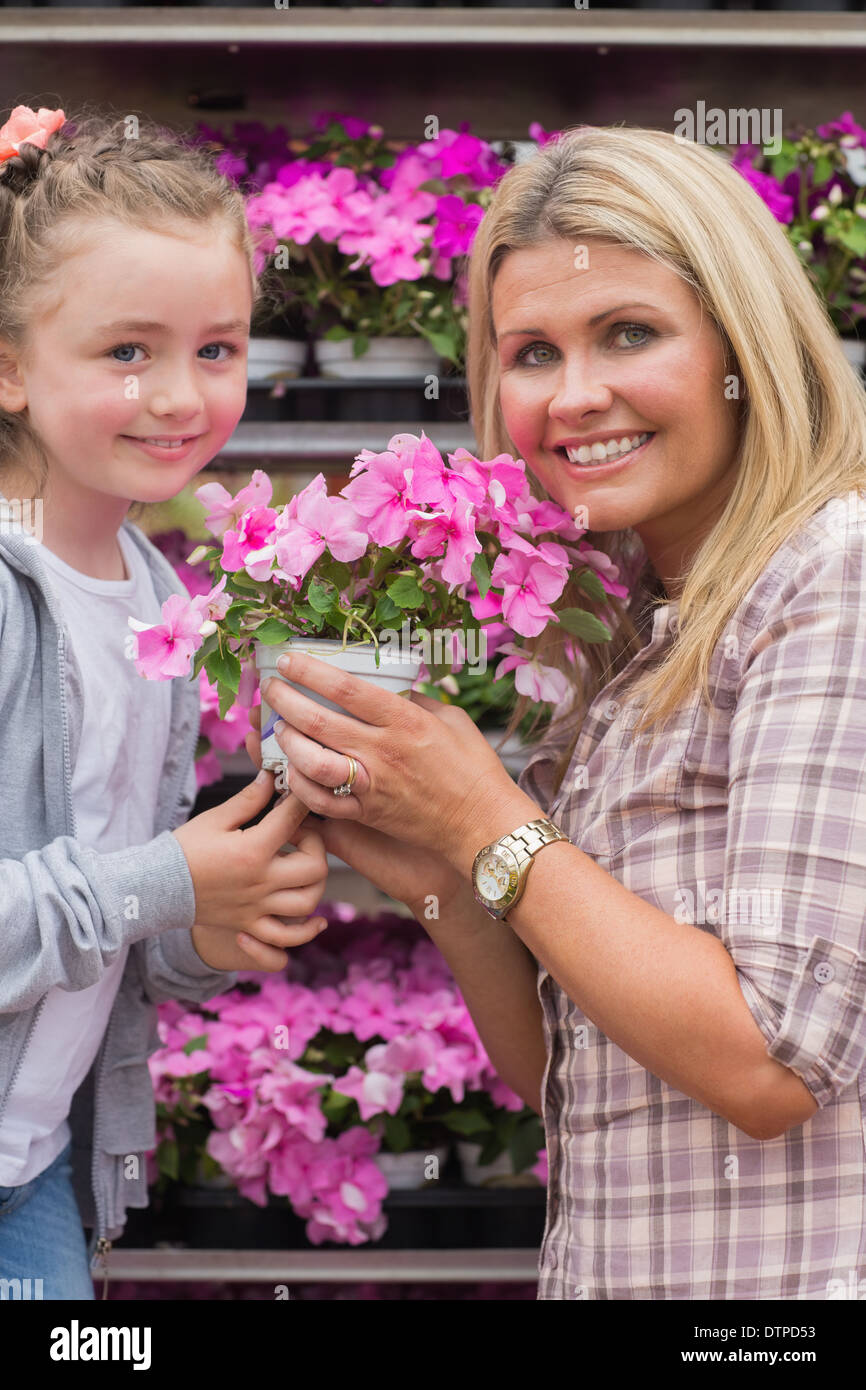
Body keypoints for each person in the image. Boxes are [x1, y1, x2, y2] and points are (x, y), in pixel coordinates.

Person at [254, 125, 866, 1299]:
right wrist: (434, 868)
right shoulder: (634, 626)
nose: (575, 396)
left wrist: (484, 816)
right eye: (530, 352)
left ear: (746, 343)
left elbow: (770, 1064)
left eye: (628, 333)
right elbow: (576, 1071)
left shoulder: (829, 574)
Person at [0, 104, 330, 1300]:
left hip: (36, 1172)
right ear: (9, 365)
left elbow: (115, 920)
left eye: (219, 348)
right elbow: (128, 881)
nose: (180, 396)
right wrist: (170, 881)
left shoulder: (156, 595)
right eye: (127, 352)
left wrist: (208, 928)